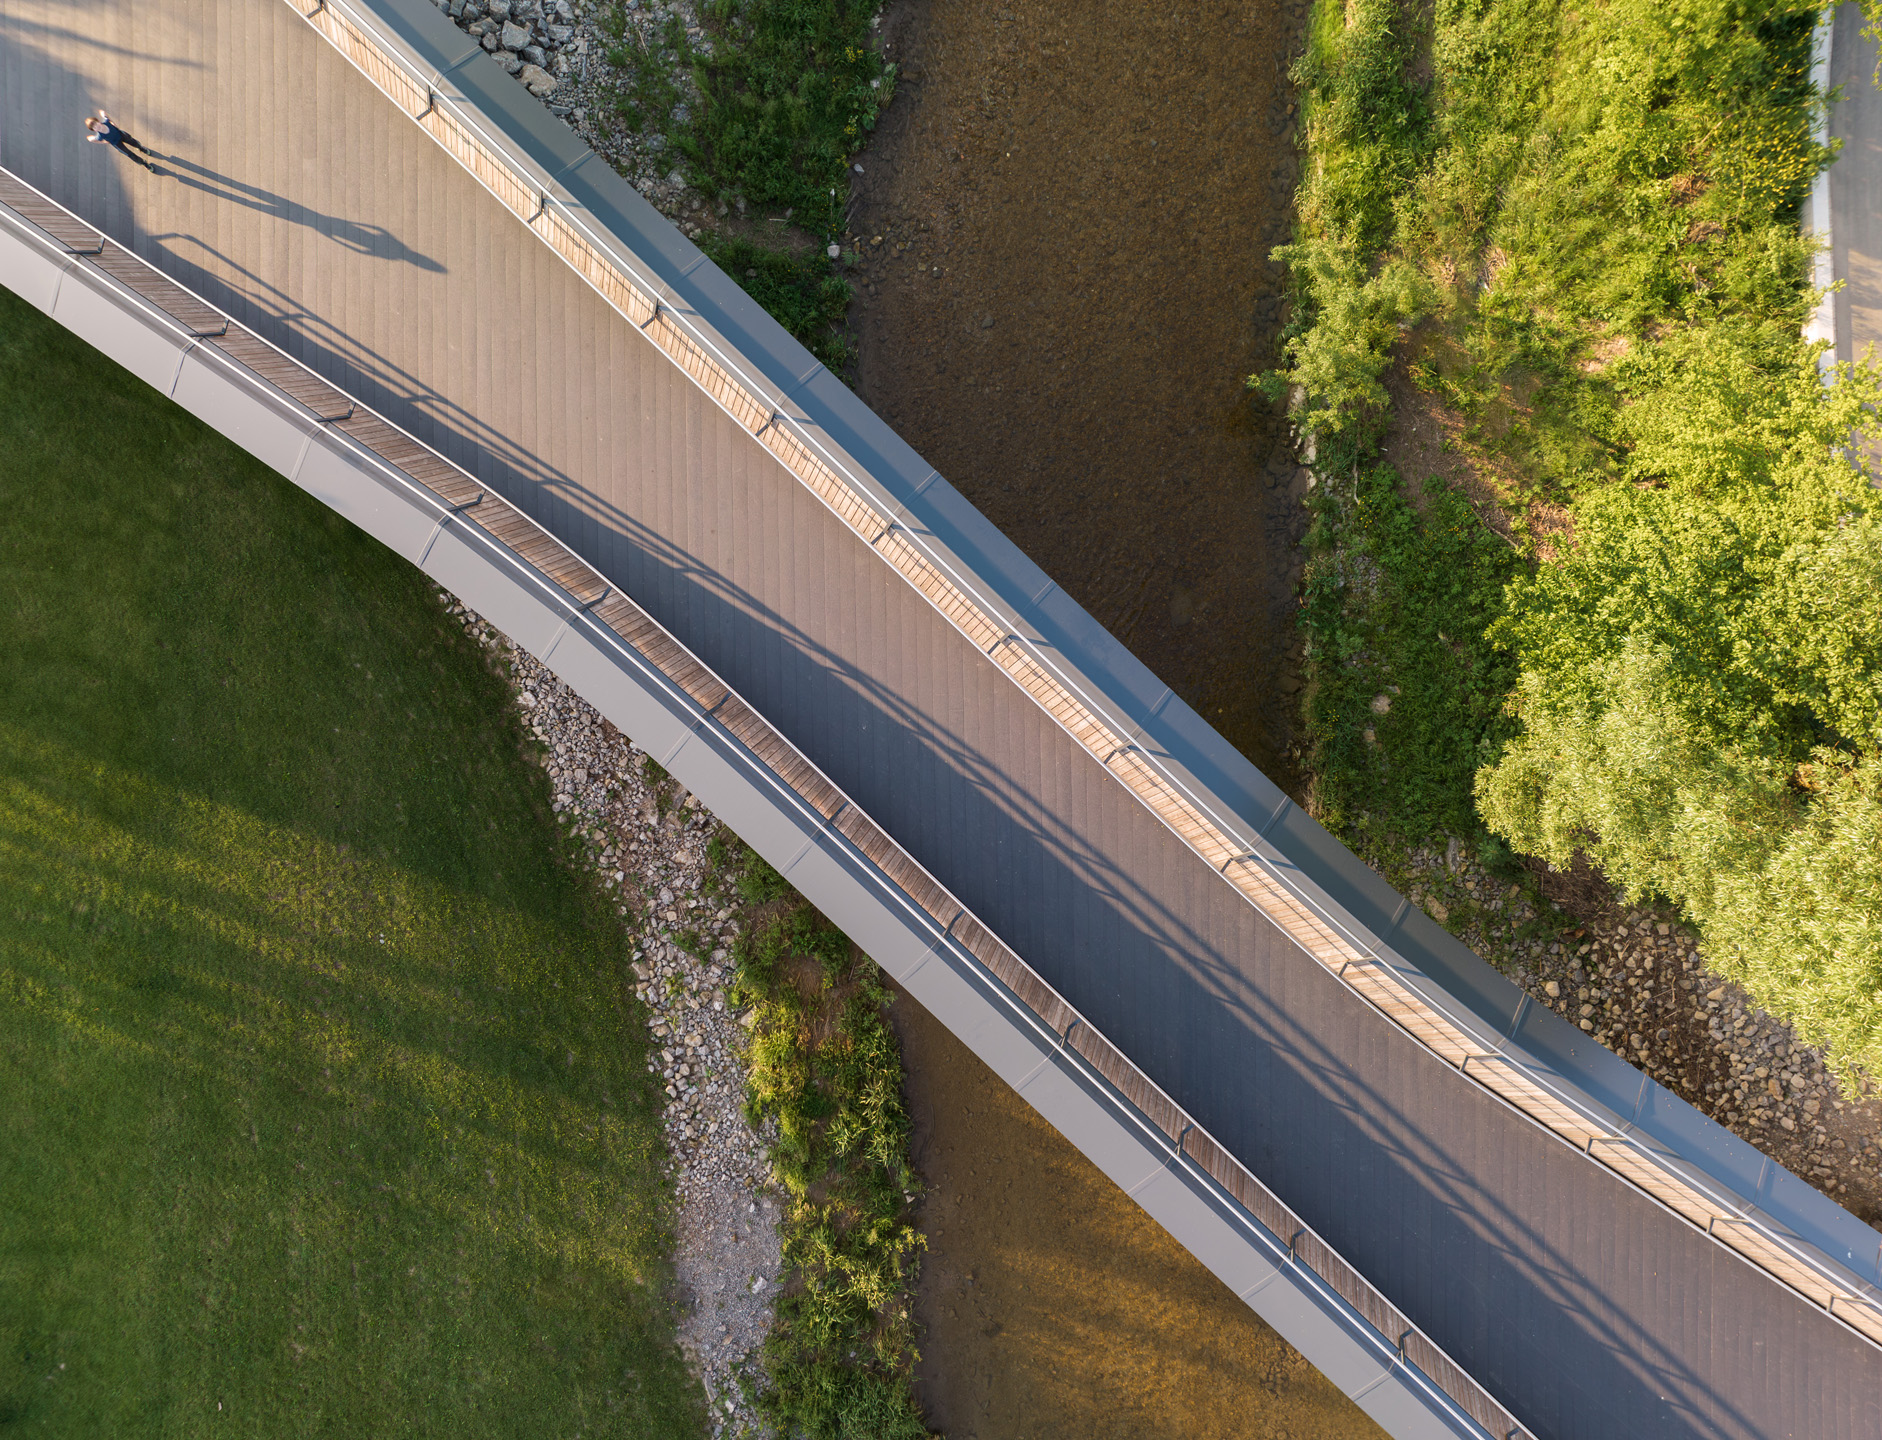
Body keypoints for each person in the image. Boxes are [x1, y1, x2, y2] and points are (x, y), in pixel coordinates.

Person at [84, 111, 153, 169]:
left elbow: (103, 113)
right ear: (94, 130)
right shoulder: (100, 136)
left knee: (133, 141)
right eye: (94, 127)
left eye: (96, 124)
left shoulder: (106, 122)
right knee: (129, 154)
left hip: (121, 134)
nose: (97, 126)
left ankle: (141, 148)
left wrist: (114, 124)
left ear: (98, 121)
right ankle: (144, 163)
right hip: (117, 143)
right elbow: (90, 139)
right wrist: (104, 142)